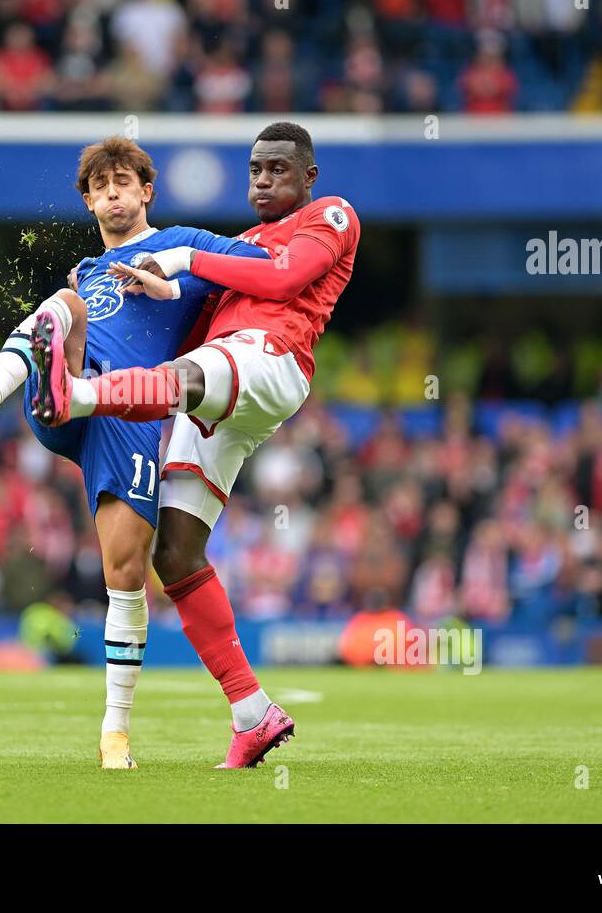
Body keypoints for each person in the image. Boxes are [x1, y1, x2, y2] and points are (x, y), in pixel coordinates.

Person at [32, 122, 360, 768]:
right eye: (256, 171)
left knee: (183, 380)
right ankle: (253, 714)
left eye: (278, 170)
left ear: (309, 177)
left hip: (269, 361)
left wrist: (180, 260)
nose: (263, 181)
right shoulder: (239, 243)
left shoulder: (331, 214)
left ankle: (74, 396)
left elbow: (284, 279)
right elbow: (193, 322)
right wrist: (146, 291)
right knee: (176, 556)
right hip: (226, 383)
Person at [0, 136, 268, 768]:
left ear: (147, 191)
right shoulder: (88, 274)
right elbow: (74, 299)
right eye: (101, 186)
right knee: (61, 306)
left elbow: (258, 262)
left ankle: (114, 731)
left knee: (123, 575)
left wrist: (177, 286)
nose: (113, 193)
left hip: (131, 417)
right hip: (70, 398)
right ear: (89, 201)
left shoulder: (185, 246)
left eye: (125, 182)